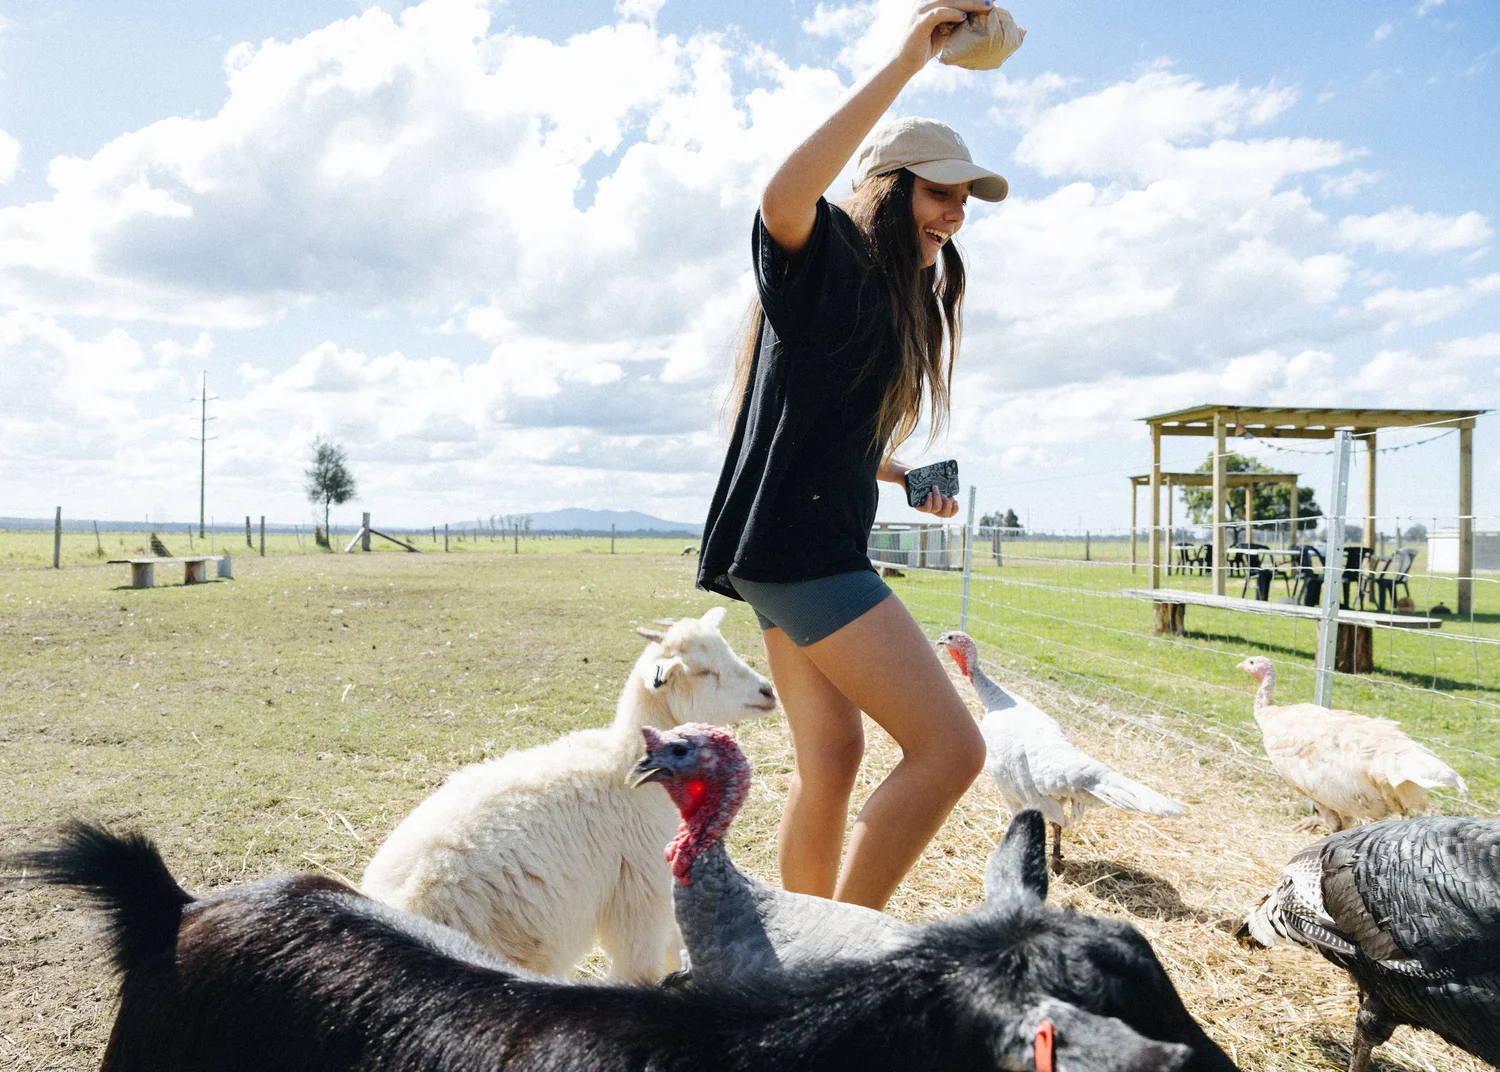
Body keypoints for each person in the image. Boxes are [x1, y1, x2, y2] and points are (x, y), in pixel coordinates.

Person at [697, 0, 1006, 910]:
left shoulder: (890, 302)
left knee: (831, 758)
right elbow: (781, 197)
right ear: (888, 186)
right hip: (804, 554)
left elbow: (837, 435)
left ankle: (793, 956)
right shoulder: (826, 253)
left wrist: (907, 474)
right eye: (939, 191)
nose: (954, 213)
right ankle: (846, 957)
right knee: (954, 750)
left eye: (962, 199)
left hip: (784, 551)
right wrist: (908, 60)